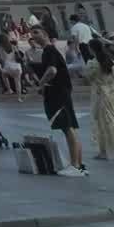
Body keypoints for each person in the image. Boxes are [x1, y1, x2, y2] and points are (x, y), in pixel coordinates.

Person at [30, 26, 88, 177]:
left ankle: (75, 165)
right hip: (63, 92)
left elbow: (52, 71)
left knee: (67, 127)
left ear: (45, 34)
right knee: (70, 128)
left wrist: (41, 84)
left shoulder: (49, 50)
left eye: (36, 32)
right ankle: (79, 165)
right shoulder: (51, 50)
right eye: (31, 34)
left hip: (58, 93)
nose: (33, 36)